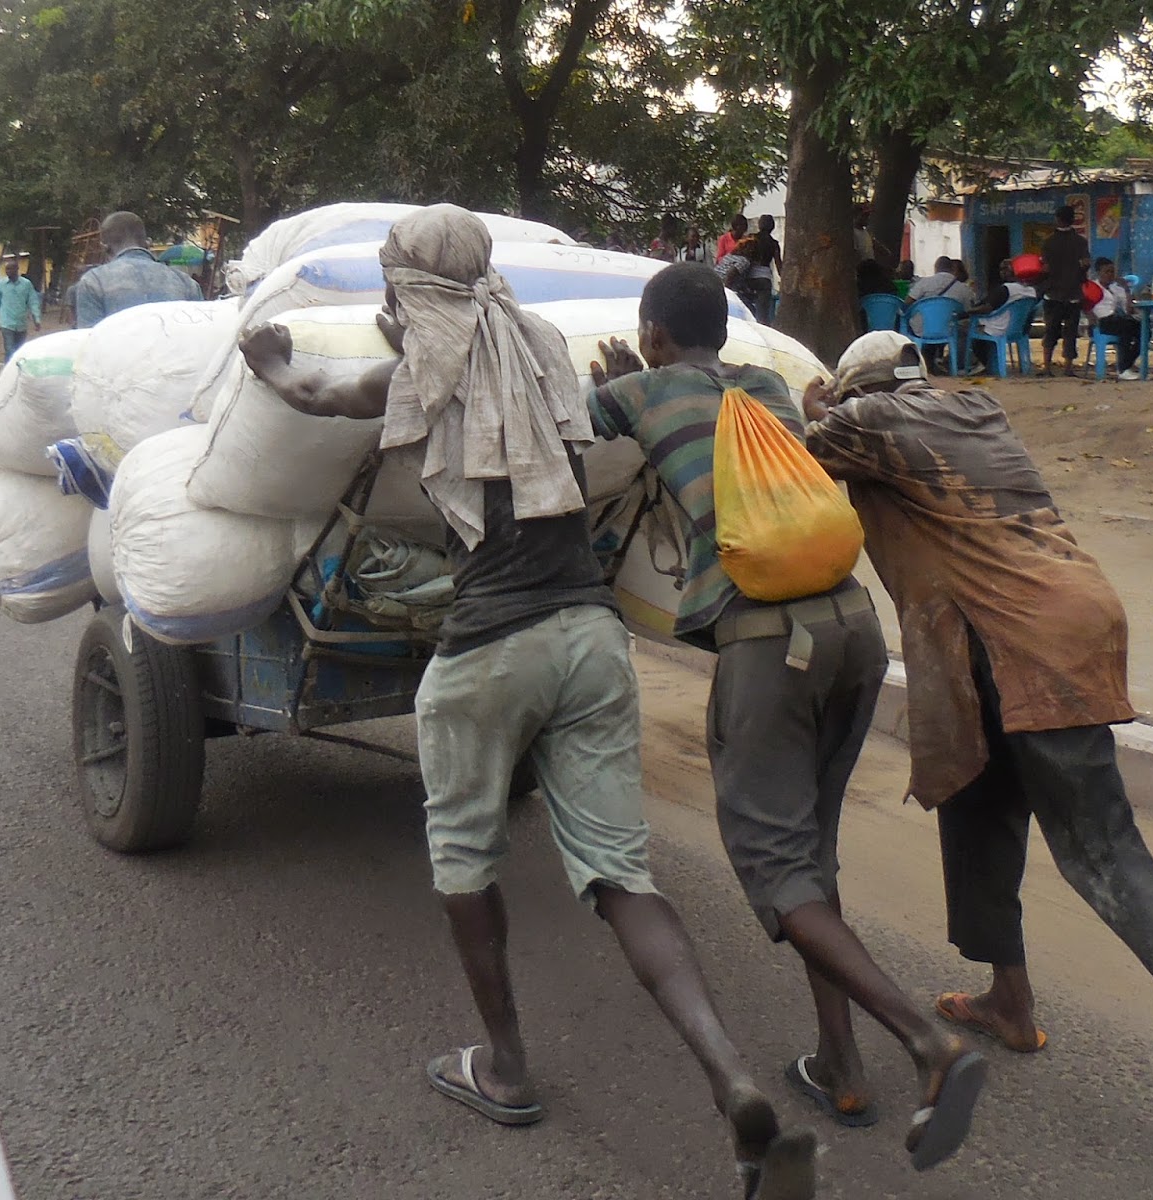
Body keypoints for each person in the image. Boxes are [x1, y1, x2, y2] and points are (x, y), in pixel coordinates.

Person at [235, 207, 818, 1200]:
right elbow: (484, 367)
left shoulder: (414, 371)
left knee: (464, 862)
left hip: (487, 647)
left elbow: (317, 392)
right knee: (621, 877)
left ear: (407, 288)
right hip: (589, 640)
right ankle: (731, 1080)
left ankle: (503, 1066)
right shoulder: (541, 342)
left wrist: (268, 359)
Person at [800, 329, 1153, 1200]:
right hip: (1033, 625)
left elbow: (802, 446)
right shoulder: (969, 407)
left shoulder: (875, 417)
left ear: (864, 387)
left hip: (1023, 640)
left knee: (1107, 861)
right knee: (974, 806)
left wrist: (811, 402)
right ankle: (1008, 1000)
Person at [586, 263, 988, 1172]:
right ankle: (839, 1064)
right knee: (809, 850)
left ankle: (927, 1044)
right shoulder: (764, 386)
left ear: (651, 332)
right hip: (851, 628)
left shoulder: (640, 390)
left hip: (769, 646)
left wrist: (619, 383)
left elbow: (581, 428)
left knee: (773, 862)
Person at [73, 211, 201, 328]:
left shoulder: (93, 282)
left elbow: (90, 341)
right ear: (148, 243)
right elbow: (201, 336)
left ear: (104, 247)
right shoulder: (186, 282)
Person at [1039, 205, 1090, 377]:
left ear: (1057, 219)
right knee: (1071, 332)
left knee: (1050, 330)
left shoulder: (1048, 242)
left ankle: (1046, 366)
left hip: (1053, 293)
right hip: (1073, 294)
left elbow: (1044, 269)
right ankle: (1068, 368)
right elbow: (1085, 264)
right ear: (1073, 220)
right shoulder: (1080, 242)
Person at [906, 256, 975, 373]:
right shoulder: (963, 288)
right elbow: (968, 310)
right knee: (963, 328)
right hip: (949, 330)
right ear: (951, 268)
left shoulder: (924, 283)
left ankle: (920, 362)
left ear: (936, 268)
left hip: (921, 329)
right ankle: (955, 364)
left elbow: (908, 302)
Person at [966, 260, 1035, 374]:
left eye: (1006, 269)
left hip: (999, 328)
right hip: (1019, 330)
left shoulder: (1005, 289)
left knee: (971, 331)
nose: (1002, 272)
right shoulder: (1031, 291)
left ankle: (984, 364)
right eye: (1001, 269)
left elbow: (987, 308)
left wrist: (968, 311)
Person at [1089, 259, 1141, 379]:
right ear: (1098, 272)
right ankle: (1123, 369)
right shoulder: (1092, 287)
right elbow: (1086, 306)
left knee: (1144, 330)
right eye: (1106, 272)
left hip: (1117, 320)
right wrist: (1091, 319)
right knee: (1126, 328)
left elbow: (1128, 310)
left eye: (1112, 272)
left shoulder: (1116, 289)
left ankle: (1126, 364)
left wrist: (1126, 290)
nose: (1110, 275)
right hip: (1101, 321)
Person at [0, 260, 41, 361]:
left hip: (21, 323)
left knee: (19, 351)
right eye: (7, 269)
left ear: (17, 269)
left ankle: (16, 372)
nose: (8, 271)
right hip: (7, 324)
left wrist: (36, 319)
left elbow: (33, 301)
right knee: (10, 350)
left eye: (11, 269)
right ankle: (8, 371)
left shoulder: (26, 284)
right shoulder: (0, 285)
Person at [743, 215, 782, 323]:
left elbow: (742, 256)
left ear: (759, 225)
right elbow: (779, 266)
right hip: (765, 280)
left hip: (749, 278)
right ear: (772, 227)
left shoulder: (751, 238)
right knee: (763, 315)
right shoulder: (774, 244)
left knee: (744, 309)